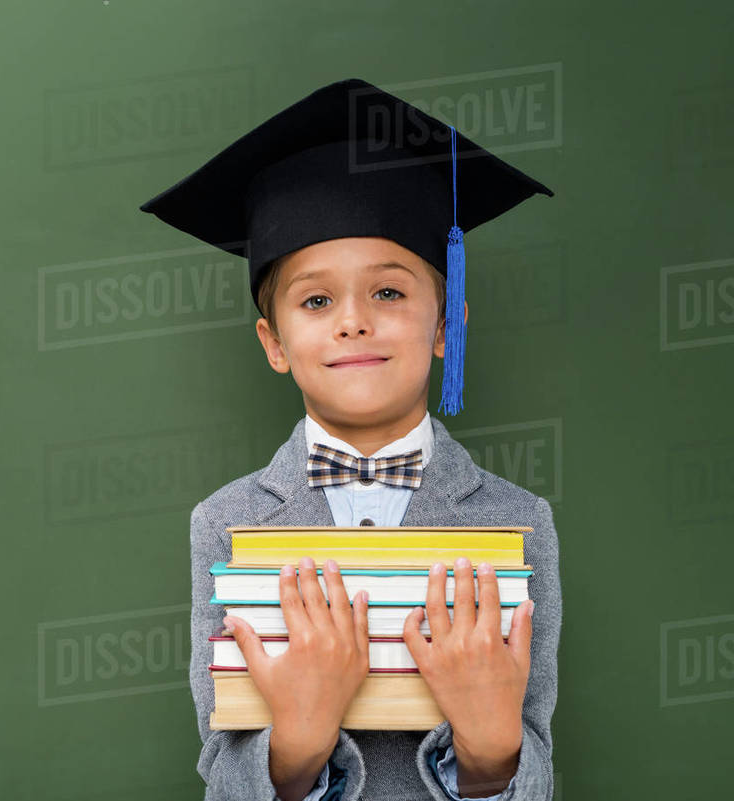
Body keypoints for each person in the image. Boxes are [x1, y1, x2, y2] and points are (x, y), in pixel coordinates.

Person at [139, 78, 562, 801]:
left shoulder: (520, 523)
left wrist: (493, 749)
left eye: (390, 292)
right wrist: (300, 734)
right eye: (316, 299)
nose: (354, 321)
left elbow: (535, 770)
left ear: (444, 326)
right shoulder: (226, 522)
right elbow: (224, 779)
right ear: (275, 342)